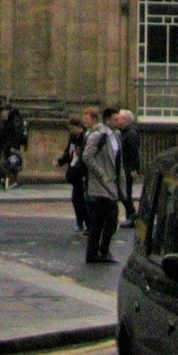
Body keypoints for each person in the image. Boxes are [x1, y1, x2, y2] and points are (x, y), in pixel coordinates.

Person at [80, 108, 120, 263]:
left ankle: (97, 252)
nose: (118, 121)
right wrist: (102, 173)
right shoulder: (98, 135)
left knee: (102, 221)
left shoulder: (116, 136)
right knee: (107, 220)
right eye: (115, 119)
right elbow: (87, 156)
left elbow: (118, 161)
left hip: (111, 184)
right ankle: (100, 252)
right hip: (100, 186)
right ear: (108, 120)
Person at [58, 118, 88, 230]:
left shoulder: (84, 138)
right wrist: (60, 161)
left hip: (81, 171)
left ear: (78, 126)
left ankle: (86, 223)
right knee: (76, 199)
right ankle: (80, 222)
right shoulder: (73, 138)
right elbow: (68, 152)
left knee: (81, 199)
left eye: (72, 128)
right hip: (74, 171)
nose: (70, 131)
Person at [0, 99, 28, 188]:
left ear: (8, 111)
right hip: (10, 148)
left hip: (12, 148)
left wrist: (13, 147)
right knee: (12, 167)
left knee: (6, 166)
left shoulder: (14, 122)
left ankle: (12, 182)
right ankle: (16, 183)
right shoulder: (11, 121)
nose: (2, 113)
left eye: (4, 111)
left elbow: (16, 135)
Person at [115, 108, 141, 215]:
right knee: (124, 193)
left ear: (125, 119)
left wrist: (134, 169)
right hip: (124, 166)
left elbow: (134, 152)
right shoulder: (124, 132)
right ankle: (130, 215)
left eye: (119, 117)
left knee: (125, 193)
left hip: (128, 168)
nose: (116, 119)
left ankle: (132, 215)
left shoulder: (131, 133)